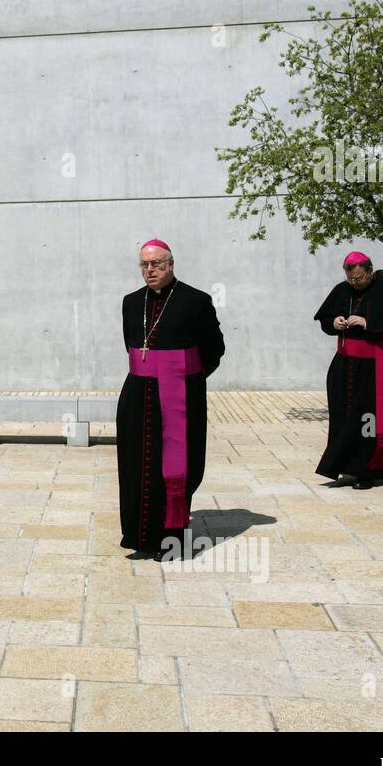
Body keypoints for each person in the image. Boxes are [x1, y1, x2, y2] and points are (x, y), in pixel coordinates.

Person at [117, 238, 224, 557]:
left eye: (157, 264)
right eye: (145, 265)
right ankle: (138, 536)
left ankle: (171, 539)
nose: (150, 270)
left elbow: (214, 348)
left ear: (171, 264)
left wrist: (185, 376)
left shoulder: (196, 300)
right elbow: (131, 344)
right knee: (136, 464)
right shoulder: (130, 302)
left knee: (175, 467)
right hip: (138, 394)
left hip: (179, 395)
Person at [314, 252, 383, 489]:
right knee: (343, 417)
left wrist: (368, 323)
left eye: (359, 278)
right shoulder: (342, 289)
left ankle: (367, 471)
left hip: (375, 364)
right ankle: (345, 466)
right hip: (345, 363)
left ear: (369, 270)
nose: (355, 283)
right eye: (351, 279)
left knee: (370, 419)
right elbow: (325, 318)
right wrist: (335, 322)